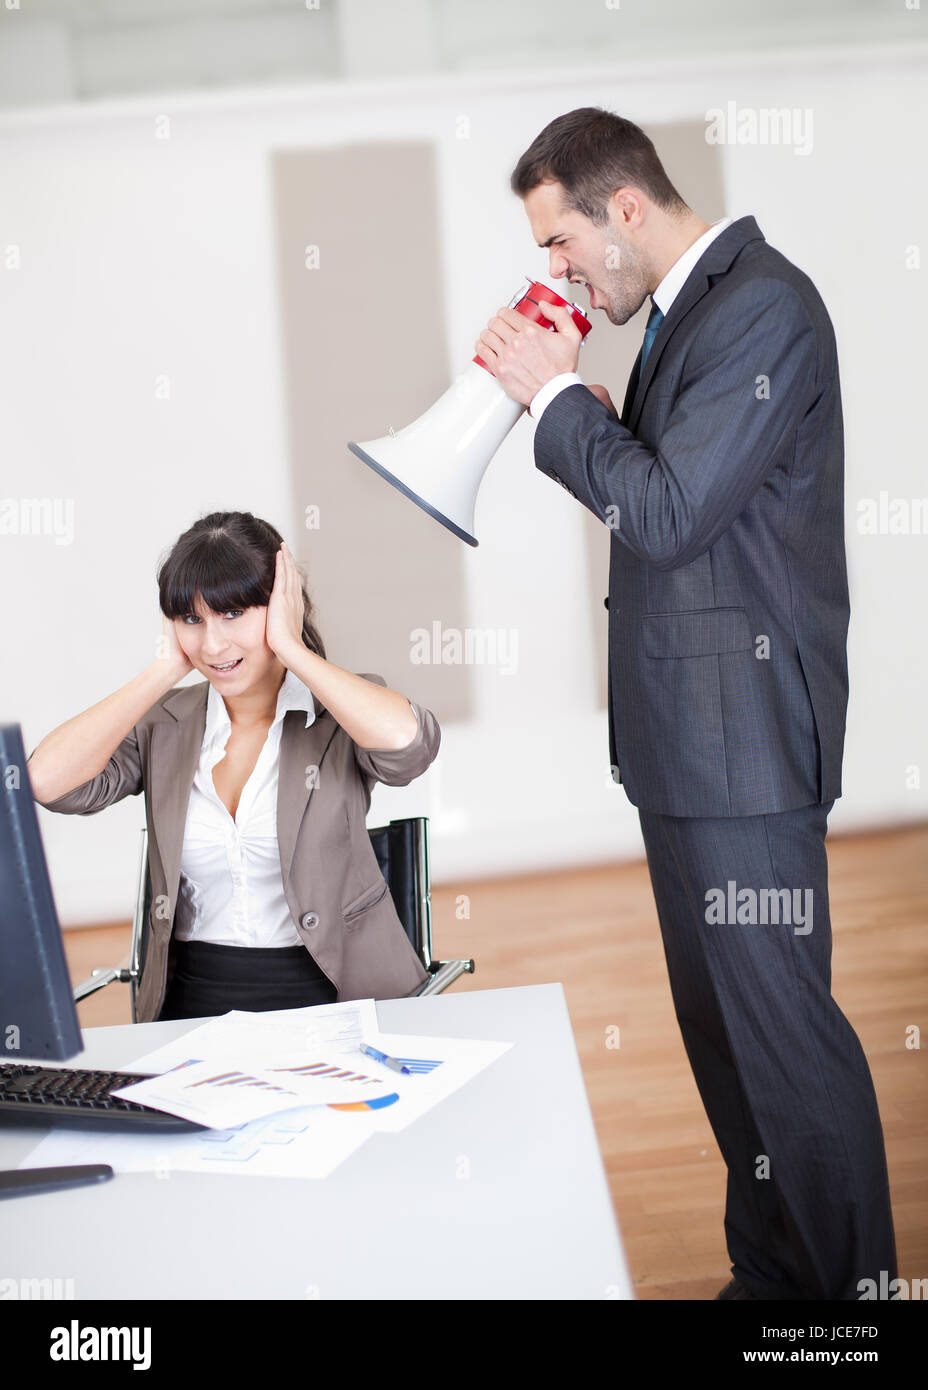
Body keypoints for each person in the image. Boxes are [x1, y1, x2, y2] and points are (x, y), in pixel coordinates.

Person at [475, 107, 897, 1301]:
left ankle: (848, 1314)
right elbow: (687, 501)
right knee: (725, 1047)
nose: (553, 271)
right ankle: (772, 1280)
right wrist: (599, 419)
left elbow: (662, 516)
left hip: (745, 749)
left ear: (625, 209)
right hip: (686, 749)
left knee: (786, 1050)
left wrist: (560, 402)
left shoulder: (762, 304)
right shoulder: (682, 318)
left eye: (560, 244)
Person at [28, 510, 439, 1022]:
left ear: (280, 605)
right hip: (195, 1005)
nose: (213, 645)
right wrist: (162, 671)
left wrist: (291, 647)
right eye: (192, 620)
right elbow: (46, 781)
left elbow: (409, 745)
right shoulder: (166, 725)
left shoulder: (338, 710)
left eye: (233, 613)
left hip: (336, 1000)